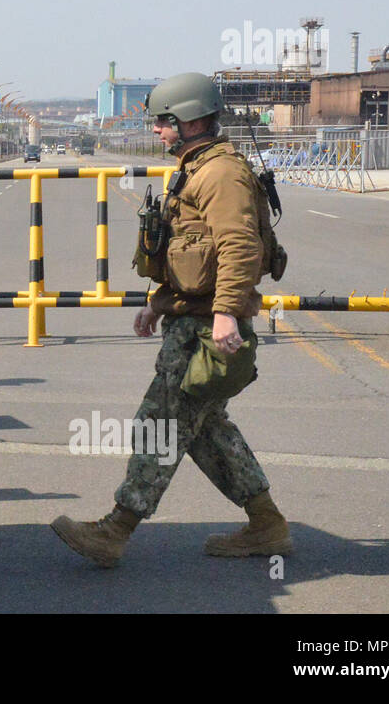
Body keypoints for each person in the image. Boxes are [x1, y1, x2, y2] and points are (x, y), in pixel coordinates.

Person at [50, 72, 292, 567]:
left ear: (192, 119)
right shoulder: (196, 168)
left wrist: (225, 314)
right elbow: (190, 254)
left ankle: (114, 531)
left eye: (164, 121)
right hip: (192, 321)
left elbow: (238, 247)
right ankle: (267, 524)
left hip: (206, 331)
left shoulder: (219, 174)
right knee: (204, 430)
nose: (158, 130)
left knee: (158, 425)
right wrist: (158, 303)